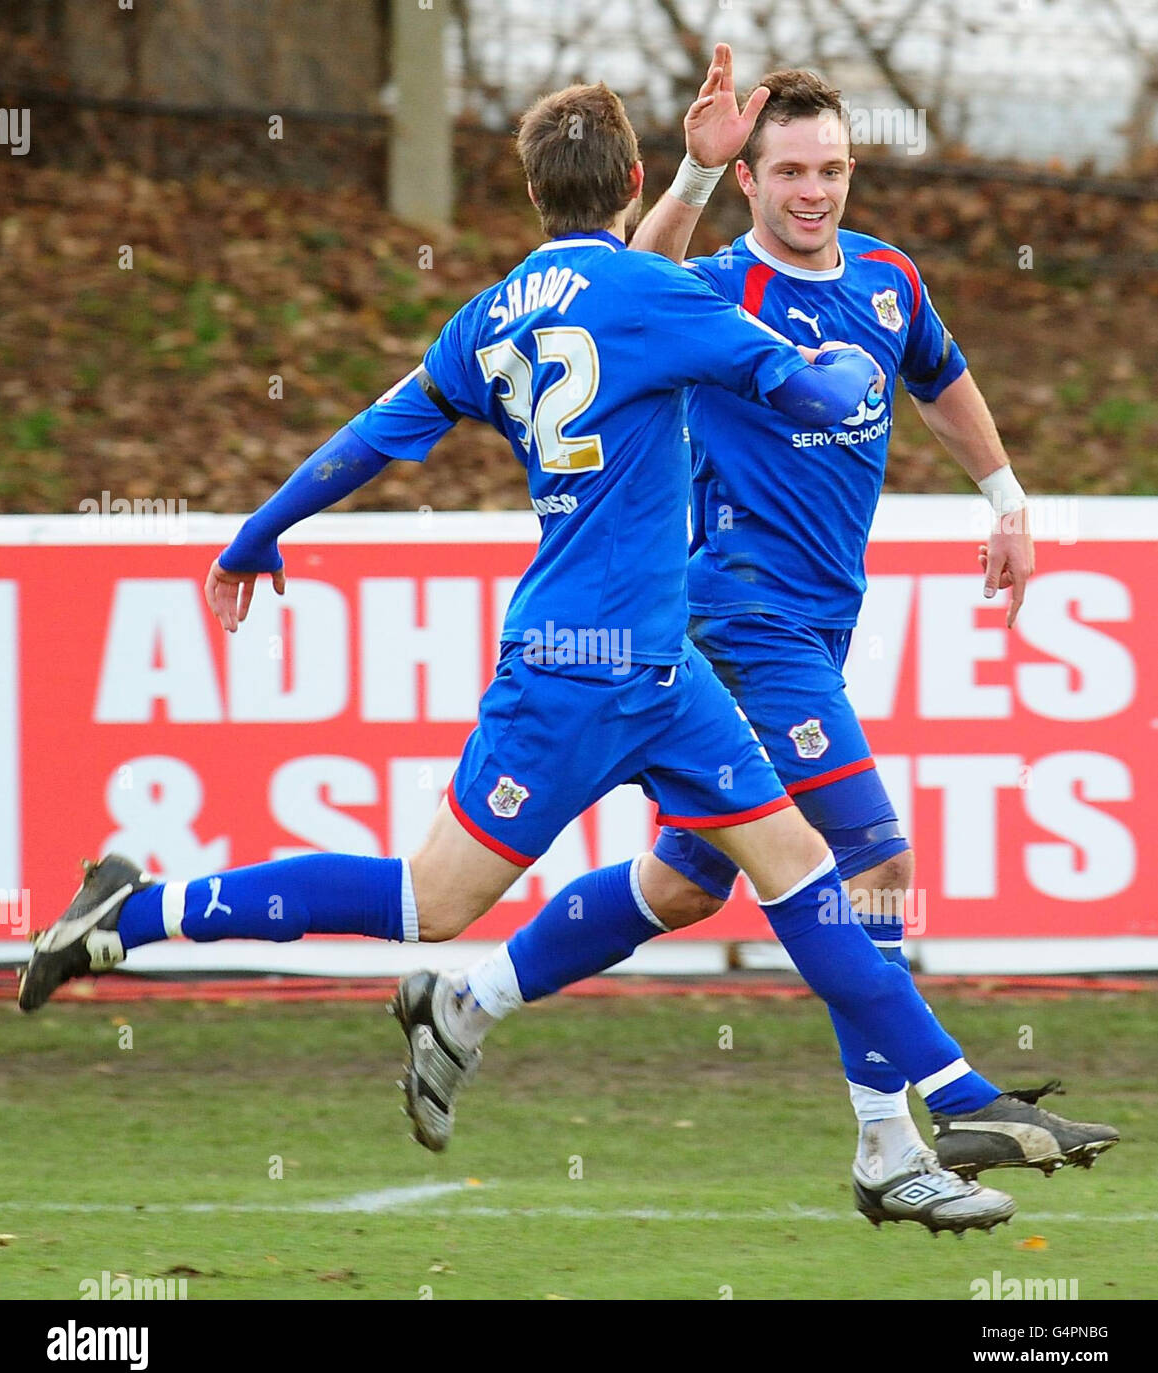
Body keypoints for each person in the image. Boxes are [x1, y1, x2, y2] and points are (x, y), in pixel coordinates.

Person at [20, 80, 1102, 1238]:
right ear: (640, 181)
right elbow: (815, 381)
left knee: (794, 870)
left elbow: (376, 433)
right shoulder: (663, 291)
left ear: (533, 191)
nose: (813, 191)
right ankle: (137, 914)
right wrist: (834, 372)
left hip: (663, 672)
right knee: (429, 902)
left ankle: (946, 1105)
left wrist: (254, 534)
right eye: (791, 171)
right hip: (584, 670)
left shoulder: (490, 314)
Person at [393, 53, 1117, 1223]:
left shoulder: (885, 277)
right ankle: (893, 1140)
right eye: (788, 170)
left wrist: (1007, 497)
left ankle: (465, 1001)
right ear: (752, 179)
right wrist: (688, 171)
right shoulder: (710, 286)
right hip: (736, 619)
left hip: (819, 627)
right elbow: (610, 290)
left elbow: (941, 375)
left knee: (685, 885)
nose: (813, 191)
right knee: (873, 859)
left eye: (831, 168)